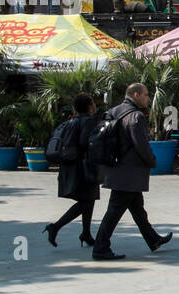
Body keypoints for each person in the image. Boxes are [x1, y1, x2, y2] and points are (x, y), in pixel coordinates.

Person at [91, 83, 172, 261]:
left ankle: (153, 239)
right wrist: (152, 160)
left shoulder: (114, 111)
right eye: (145, 95)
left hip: (117, 168)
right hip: (130, 171)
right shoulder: (135, 116)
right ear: (135, 95)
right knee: (114, 211)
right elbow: (141, 144)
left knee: (137, 209)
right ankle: (100, 247)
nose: (147, 98)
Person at [43, 93, 100, 247]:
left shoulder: (71, 121)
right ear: (89, 105)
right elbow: (84, 142)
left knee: (89, 198)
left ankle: (86, 233)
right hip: (83, 166)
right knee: (86, 200)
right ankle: (55, 227)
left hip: (71, 165)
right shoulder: (88, 121)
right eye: (93, 102)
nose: (95, 105)